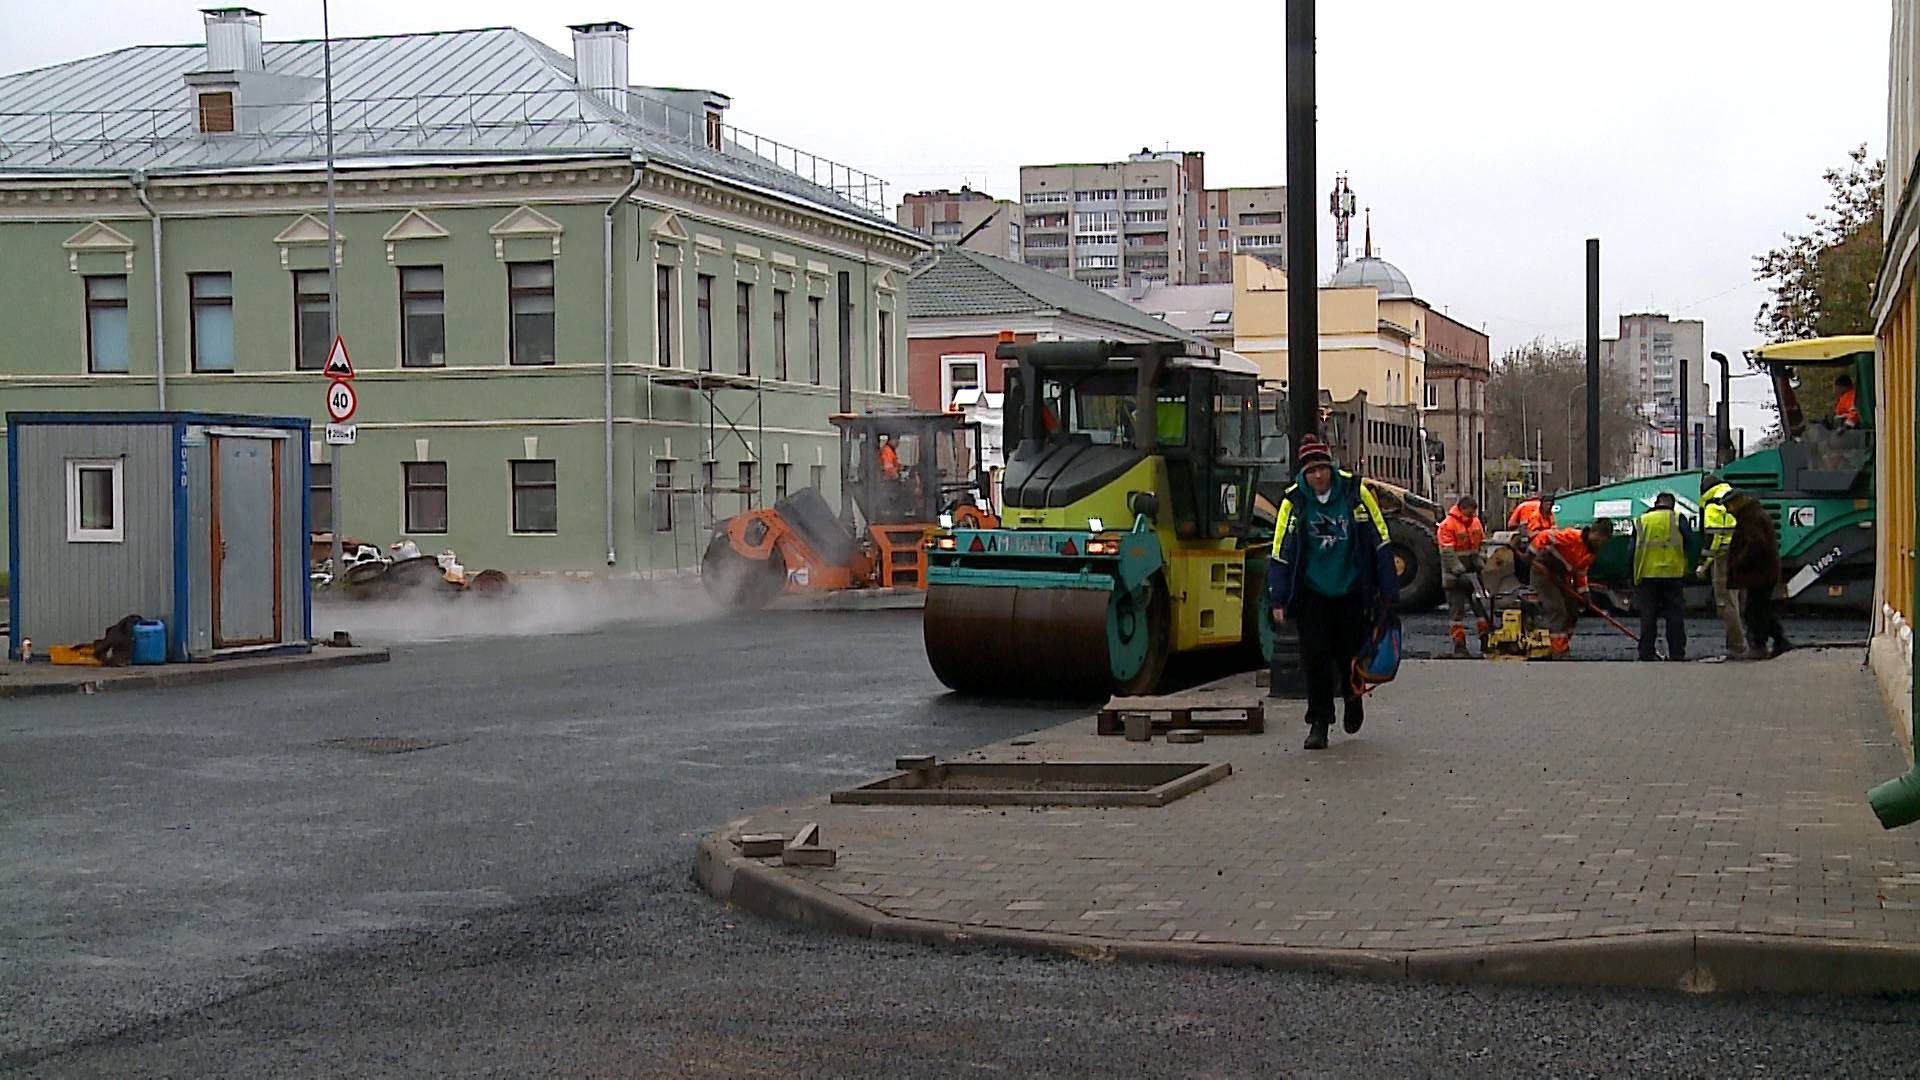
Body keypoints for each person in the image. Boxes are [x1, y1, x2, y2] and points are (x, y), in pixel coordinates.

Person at [1269, 435, 1399, 751]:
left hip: (1352, 589)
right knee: (1315, 658)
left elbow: (1380, 539)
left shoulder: (1356, 493)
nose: (1317, 477)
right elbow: (1280, 550)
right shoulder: (1294, 501)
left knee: (1349, 656)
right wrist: (1278, 597)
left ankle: (1353, 700)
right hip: (1312, 591)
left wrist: (1388, 589)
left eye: (1322, 469)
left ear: (1330, 466)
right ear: (1304, 473)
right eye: (1311, 471)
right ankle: (1319, 722)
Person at [1723, 479, 1794, 659]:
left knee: (1754, 612)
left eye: (1728, 505)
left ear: (1737, 502)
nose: (1727, 510)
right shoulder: (1753, 513)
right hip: (1764, 572)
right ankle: (1780, 640)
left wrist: (1739, 561)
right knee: (1763, 608)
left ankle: (1759, 646)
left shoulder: (1750, 517)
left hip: (1759, 573)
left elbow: (1756, 543)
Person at [1528, 518, 1616, 659]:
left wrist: (1585, 594)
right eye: (1600, 539)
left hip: (1559, 576)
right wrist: (1531, 553)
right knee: (1557, 609)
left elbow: (1581, 574)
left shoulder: (1590, 553)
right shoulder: (1572, 537)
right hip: (1543, 571)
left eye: (1603, 541)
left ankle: (1559, 642)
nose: (1600, 543)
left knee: (1572, 610)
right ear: (1593, 532)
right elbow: (1545, 536)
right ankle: (1559, 651)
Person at [1631, 492, 1690, 662]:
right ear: (1672, 505)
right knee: (1675, 615)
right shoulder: (1678, 518)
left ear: (1656, 503)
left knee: (1648, 616)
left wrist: (1631, 575)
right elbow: (1690, 543)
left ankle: (1646, 652)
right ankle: (1677, 652)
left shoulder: (1642, 520)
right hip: (1673, 573)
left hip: (1647, 573)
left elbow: (1631, 550)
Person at [1696, 474, 1749, 659]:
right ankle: (1745, 641)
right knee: (1737, 602)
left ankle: (1737, 647)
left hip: (1723, 557)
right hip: (1742, 554)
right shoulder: (1735, 498)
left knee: (1725, 603)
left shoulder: (1713, 503)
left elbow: (1713, 537)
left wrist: (1703, 565)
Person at [1436, 495, 1489, 657]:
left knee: (1482, 610)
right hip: (1455, 577)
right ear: (1461, 509)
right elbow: (1448, 554)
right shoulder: (1447, 525)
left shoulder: (1475, 522)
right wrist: (1460, 572)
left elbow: (1481, 546)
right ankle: (1459, 647)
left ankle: (1486, 642)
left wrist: (1481, 564)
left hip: (1473, 574)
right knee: (1457, 614)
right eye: (1470, 512)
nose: (1472, 515)